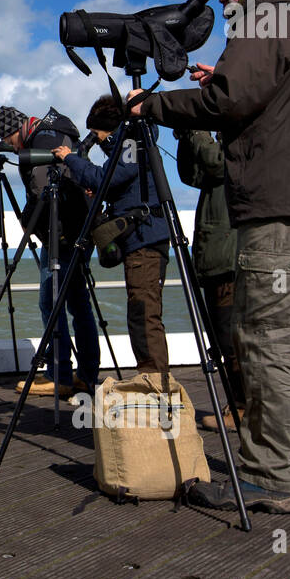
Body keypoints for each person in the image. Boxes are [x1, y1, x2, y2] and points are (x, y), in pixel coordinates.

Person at [130, 0, 290, 514]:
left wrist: (150, 107)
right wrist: (224, 82)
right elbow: (266, 92)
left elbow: (233, 99)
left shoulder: (263, 13)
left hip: (282, 208)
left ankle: (266, 475)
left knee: (262, 340)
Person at [53, 95, 171, 378]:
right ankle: (152, 378)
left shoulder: (131, 142)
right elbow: (118, 179)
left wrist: (70, 159)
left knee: (143, 313)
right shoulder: (134, 140)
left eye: (97, 133)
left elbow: (102, 178)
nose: (96, 139)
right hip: (145, 239)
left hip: (145, 240)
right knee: (142, 310)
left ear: (108, 126)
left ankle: (154, 381)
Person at [0, 106, 100, 398]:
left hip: (61, 232)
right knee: (79, 304)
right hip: (81, 227)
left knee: (50, 304)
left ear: (17, 130)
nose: (11, 147)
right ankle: (88, 375)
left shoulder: (41, 143)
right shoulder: (60, 131)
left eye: (9, 140)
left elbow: (43, 192)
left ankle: (59, 375)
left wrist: (29, 221)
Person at [174, 127, 245, 430]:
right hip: (218, 251)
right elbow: (193, 176)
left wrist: (196, 129)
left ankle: (242, 407)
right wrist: (186, 137)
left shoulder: (240, 136)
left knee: (230, 335)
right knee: (220, 334)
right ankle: (239, 403)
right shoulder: (224, 137)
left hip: (230, 255)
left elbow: (217, 162)